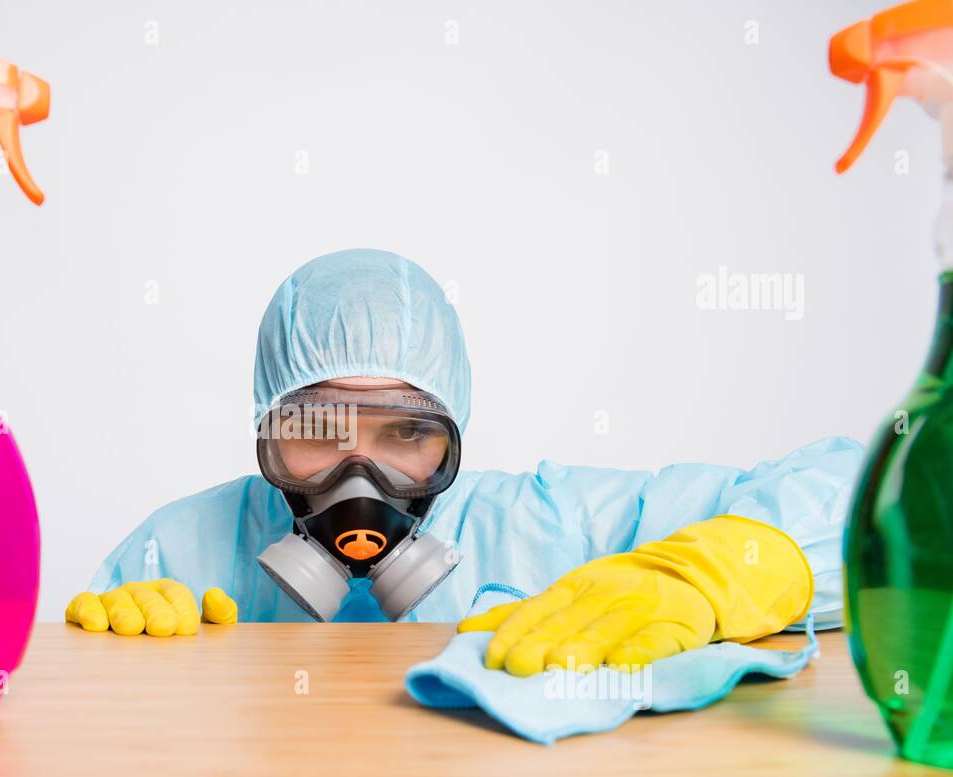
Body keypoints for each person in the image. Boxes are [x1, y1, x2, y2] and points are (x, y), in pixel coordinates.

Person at [67, 249, 861, 676]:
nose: (359, 478)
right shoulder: (182, 547)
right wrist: (113, 662)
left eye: (405, 436)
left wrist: (710, 575)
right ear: (267, 429)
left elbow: (871, 499)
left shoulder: (549, 530)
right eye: (317, 428)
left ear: (454, 435)